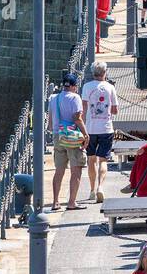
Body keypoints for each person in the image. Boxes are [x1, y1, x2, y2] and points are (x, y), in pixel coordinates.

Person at [48, 74, 88, 210]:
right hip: (72, 137)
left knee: (59, 170)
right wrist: (85, 134)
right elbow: (77, 118)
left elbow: (50, 122)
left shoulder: (53, 98)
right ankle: (71, 202)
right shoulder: (75, 98)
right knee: (76, 170)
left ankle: (55, 202)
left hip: (57, 135)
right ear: (73, 86)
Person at [81, 61, 117, 204]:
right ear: (105, 72)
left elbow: (83, 109)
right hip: (106, 128)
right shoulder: (110, 87)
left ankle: (91, 190)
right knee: (103, 160)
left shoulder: (86, 87)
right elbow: (115, 110)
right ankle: (100, 187)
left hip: (90, 128)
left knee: (91, 159)